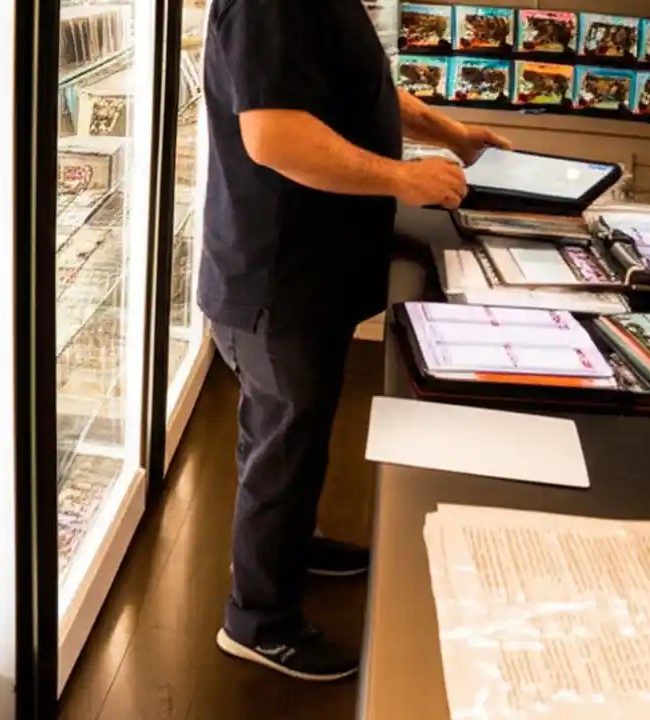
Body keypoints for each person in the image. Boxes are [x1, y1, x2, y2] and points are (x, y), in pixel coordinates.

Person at [203, 0, 510, 681]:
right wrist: (405, 178)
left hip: (311, 271)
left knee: (293, 435)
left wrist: (447, 130)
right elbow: (274, 136)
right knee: (283, 444)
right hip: (279, 275)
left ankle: (291, 545)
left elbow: (356, 87)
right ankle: (258, 621)